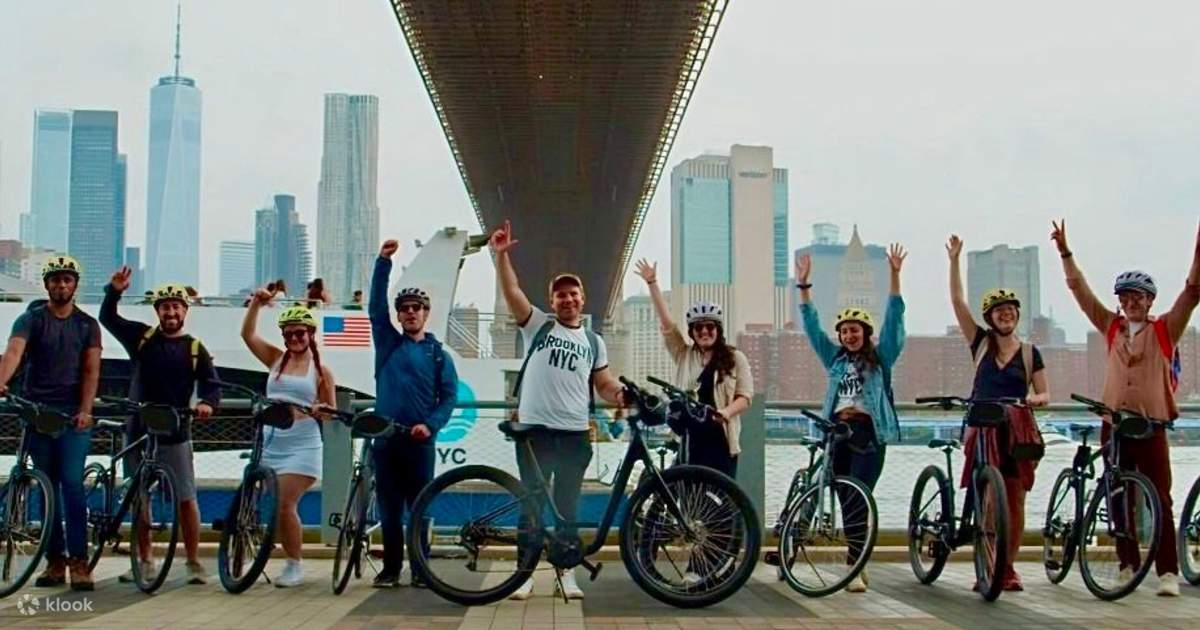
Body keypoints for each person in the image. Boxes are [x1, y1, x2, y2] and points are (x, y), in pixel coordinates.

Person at [1051, 220, 1200, 597]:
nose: (1131, 303)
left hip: (1151, 425)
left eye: (1138, 297)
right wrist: (1066, 253)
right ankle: (1125, 564)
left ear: (1150, 301)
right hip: (1115, 424)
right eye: (1125, 297)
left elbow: (1192, 292)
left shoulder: (1164, 330)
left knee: (1160, 498)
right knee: (1118, 496)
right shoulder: (1111, 327)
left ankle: (1167, 572)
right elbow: (1080, 292)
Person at [490, 220, 626, 601]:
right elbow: (513, 291)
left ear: (583, 299)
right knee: (531, 505)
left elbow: (603, 383)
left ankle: (565, 574)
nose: (567, 299)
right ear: (552, 302)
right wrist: (501, 256)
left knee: (567, 507)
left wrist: (620, 394)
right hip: (534, 432)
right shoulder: (538, 327)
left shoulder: (594, 342)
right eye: (560, 295)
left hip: (574, 434)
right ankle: (523, 575)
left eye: (573, 294)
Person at [792, 244, 908, 593]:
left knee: (859, 495)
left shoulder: (882, 358)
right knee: (844, 496)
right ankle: (855, 559)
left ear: (866, 333)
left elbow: (894, 323)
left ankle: (853, 567)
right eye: (844, 331)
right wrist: (804, 287)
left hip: (868, 433)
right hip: (837, 432)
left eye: (855, 330)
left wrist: (895, 276)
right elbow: (813, 330)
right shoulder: (836, 360)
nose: (849, 335)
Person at [100, 269, 220, 585]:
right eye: (165, 307)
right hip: (139, 428)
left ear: (185, 311)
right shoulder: (142, 338)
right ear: (157, 311)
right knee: (140, 498)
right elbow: (108, 318)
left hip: (175, 431)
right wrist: (114, 291)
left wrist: (207, 403)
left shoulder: (195, 348)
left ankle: (193, 561)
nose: (171, 312)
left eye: (176, 306)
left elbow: (211, 385)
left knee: (186, 498)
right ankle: (145, 560)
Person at [947, 235, 1051, 592]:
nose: (1005, 315)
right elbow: (958, 302)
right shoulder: (981, 343)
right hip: (983, 426)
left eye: (1010, 311)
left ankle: (1007, 568)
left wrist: (1037, 399)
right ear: (990, 318)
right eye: (998, 312)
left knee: (1015, 499)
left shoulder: (1030, 353)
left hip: (1017, 428)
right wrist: (954, 260)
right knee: (989, 500)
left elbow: (1044, 391)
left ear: (1017, 315)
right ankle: (987, 565)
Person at [0, 255, 101, 591]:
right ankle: (54, 560)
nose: (61, 285)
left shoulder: (87, 325)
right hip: (37, 412)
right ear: (46, 285)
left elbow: (91, 370)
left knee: (72, 483)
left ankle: (79, 561)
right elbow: (13, 352)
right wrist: (1, 380)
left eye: (67, 279)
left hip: (72, 415)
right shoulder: (31, 320)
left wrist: (85, 409)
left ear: (75, 285)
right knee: (45, 485)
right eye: (55, 280)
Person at [368, 239, 458, 588]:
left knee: (420, 509)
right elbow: (376, 308)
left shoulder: (439, 356)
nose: (410, 312)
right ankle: (391, 570)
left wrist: (430, 425)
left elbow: (448, 398)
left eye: (416, 307)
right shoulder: (388, 344)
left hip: (420, 442)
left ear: (425, 313)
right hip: (386, 440)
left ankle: (421, 569)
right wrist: (383, 262)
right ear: (399, 315)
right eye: (404, 308)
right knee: (390, 510)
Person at [241, 293, 335, 587]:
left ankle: (294, 564)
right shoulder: (275, 359)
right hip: (270, 439)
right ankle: (251, 551)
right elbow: (248, 335)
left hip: (301, 443)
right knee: (253, 500)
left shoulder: (321, 371)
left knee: (284, 503)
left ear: (310, 334)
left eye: (299, 333)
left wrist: (321, 409)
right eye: (288, 334)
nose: (294, 338)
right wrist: (256, 304)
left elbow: (331, 413)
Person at [632, 259, 753, 476]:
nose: (704, 331)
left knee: (720, 493)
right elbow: (667, 325)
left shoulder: (736, 358)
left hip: (721, 438)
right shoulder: (684, 354)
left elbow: (745, 397)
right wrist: (652, 283)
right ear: (692, 332)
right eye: (698, 328)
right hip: (689, 438)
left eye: (710, 326)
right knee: (685, 489)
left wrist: (725, 413)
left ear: (718, 330)